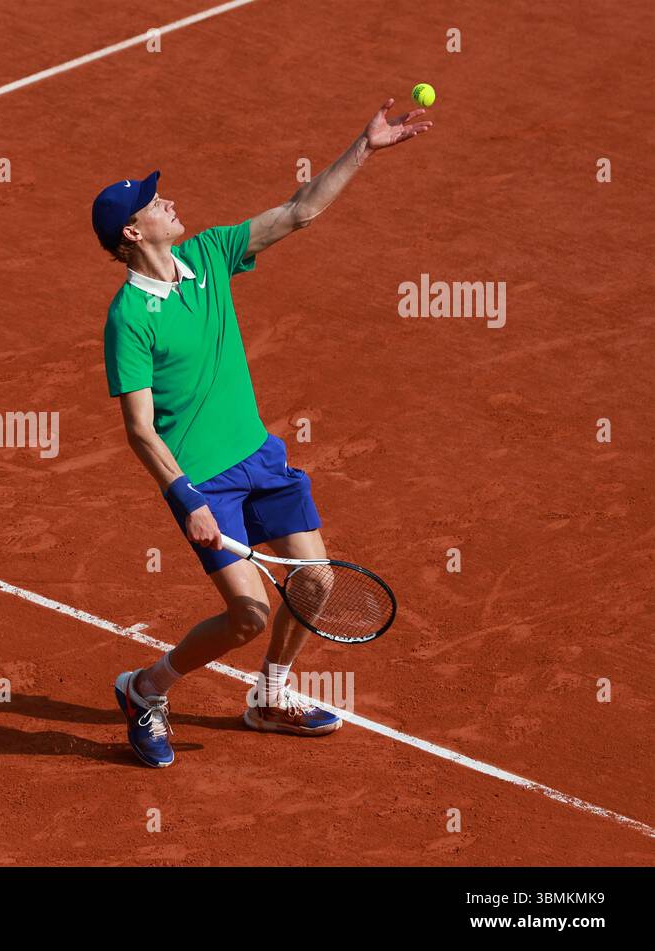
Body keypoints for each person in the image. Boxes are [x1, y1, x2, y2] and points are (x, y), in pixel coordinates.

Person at [94, 99, 432, 767]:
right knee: (247, 616)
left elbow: (300, 211)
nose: (168, 203)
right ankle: (144, 690)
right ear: (134, 233)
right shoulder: (129, 319)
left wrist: (363, 147)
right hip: (204, 483)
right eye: (155, 204)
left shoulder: (212, 254)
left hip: (259, 457)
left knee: (315, 584)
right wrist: (186, 498)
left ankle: (271, 698)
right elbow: (138, 429)